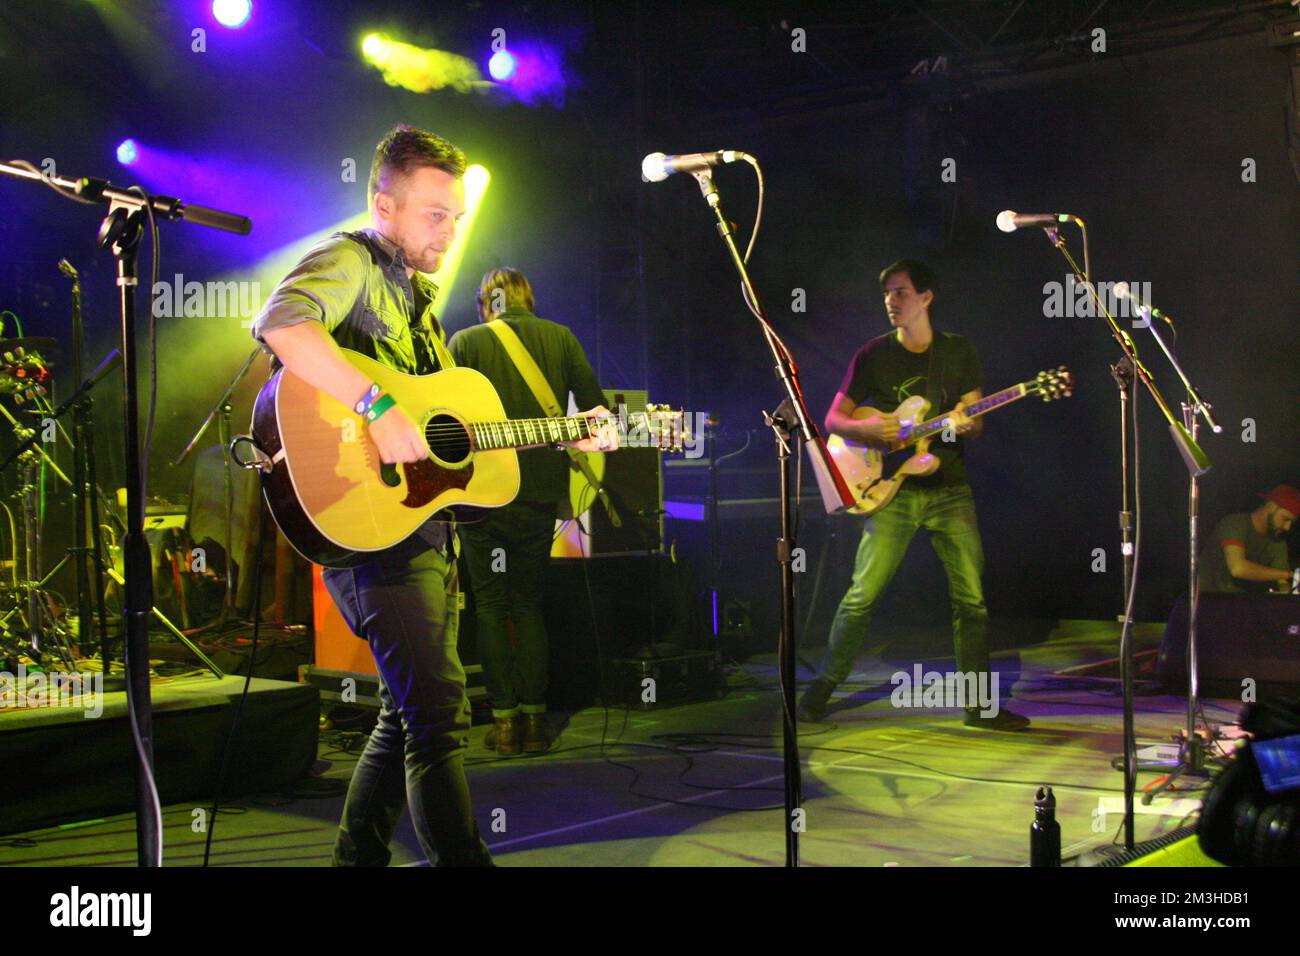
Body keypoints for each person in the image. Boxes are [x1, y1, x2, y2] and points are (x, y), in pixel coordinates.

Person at [251, 125, 610, 865]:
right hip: (361, 521)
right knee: (438, 715)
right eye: (434, 214)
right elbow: (283, 326)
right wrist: (377, 410)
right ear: (384, 205)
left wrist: (563, 433)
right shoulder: (350, 256)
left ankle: (357, 860)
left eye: (455, 214)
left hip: (413, 528)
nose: (451, 230)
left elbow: (456, 439)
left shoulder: (421, 306)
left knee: (409, 712)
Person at [798, 259, 1029, 731]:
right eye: (887, 293)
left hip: (949, 489)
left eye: (900, 292)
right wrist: (869, 428)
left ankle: (979, 708)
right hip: (892, 491)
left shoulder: (957, 352)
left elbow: (976, 417)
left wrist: (967, 417)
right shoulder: (872, 354)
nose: (891, 301)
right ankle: (821, 690)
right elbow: (833, 422)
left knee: (972, 602)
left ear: (926, 297)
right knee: (862, 595)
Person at [449, 268, 607, 755]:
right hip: (538, 490)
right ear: (528, 298)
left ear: (484, 302)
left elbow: (440, 416)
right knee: (529, 604)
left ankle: (504, 723)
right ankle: (537, 722)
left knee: (493, 607)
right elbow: (597, 414)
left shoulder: (465, 342)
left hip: (482, 492)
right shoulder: (560, 337)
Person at [1198, 484, 1297, 594]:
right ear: (1271, 506)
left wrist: (1289, 590)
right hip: (1207, 600)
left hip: (1242, 602)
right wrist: (1291, 574)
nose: (1287, 527)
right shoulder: (1235, 523)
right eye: (1285, 519)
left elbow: (1282, 580)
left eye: (1291, 523)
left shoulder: (1277, 538)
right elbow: (1237, 569)